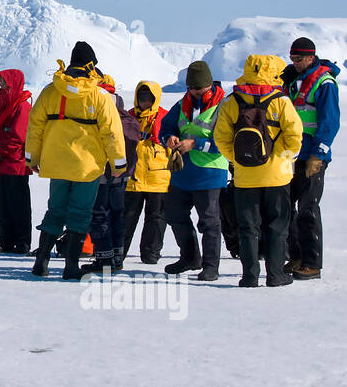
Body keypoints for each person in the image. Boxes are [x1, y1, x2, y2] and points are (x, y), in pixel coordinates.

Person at [26, 42, 127, 280]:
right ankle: (71, 266)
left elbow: (35, 126)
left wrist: (32, 157)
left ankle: (41, 261)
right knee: (80, 214)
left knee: (55, 212)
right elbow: (112, 132)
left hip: (56, 164)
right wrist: (118, 164)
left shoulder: (50, 90)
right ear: (91, 65)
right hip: (87, 167)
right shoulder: (100, 96)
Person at [214, 54, 304, 287]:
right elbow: (294, 136)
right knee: (276, 226)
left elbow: (221, 137)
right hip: (277, 177)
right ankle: (275, 275)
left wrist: (239, 159)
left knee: (247, 228)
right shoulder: (281, 101)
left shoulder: (232, 101)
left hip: (245, 178)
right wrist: (280, 158)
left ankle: (249, 276)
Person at [157, 61, 229, 281]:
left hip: (210, 172)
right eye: (192, 89)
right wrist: (168, 138)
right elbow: (166, 126)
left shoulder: (224, 106)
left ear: (209, 85)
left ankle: (210, 267)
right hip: (183, 172)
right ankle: (190, 257)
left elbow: (226, 140)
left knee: (209, 221)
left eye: (200, 89)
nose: (196, 93)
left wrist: (195, 144)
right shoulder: (182, 104)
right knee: (173, 213)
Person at [280, 38, 340, 280]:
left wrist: (319, 154)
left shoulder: (324, 84)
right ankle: (296, 256)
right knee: (285, 208)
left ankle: (312, 264)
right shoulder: (290, 80)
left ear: (311, 57)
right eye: (292, 58)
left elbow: (330, 122)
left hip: (311, 156)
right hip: (289, 155)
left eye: (299, 59)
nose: (294, 63)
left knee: (308, 208)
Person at [85, 74, 140, 274]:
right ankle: (117, 257)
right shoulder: (124, 112)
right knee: (117, 215)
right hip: (123, 174)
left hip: (101, 172)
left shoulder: (99, 106)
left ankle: (104, 260)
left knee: (99, 215)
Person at [0, 69, 33, 254]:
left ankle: (22, 241)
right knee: (0, 205)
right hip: (0, 165)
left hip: (15, 166)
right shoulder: (5, 106)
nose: (1, 85)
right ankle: (5, 240)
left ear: (13, 83)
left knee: (17, 206)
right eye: (1, 82)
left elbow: (17, 138)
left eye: (4, 82)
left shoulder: (22, 107)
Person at [124, 81, 170, 264]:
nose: (145, 102)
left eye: (148, 99)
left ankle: (151, 255)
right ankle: (119, 253)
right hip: (132, 178)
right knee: (126, 219)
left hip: (159, 178)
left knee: (156, 220)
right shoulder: (128, 117)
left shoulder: (166, 118)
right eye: (141, 98)